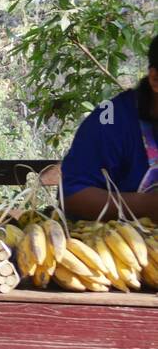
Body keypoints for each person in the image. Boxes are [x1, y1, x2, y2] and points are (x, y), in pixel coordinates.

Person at [61, 32, 158, 221]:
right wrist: (150, 205)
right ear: (155, 79)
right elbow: (72, 197)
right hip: (118, 245)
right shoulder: (110, 120)